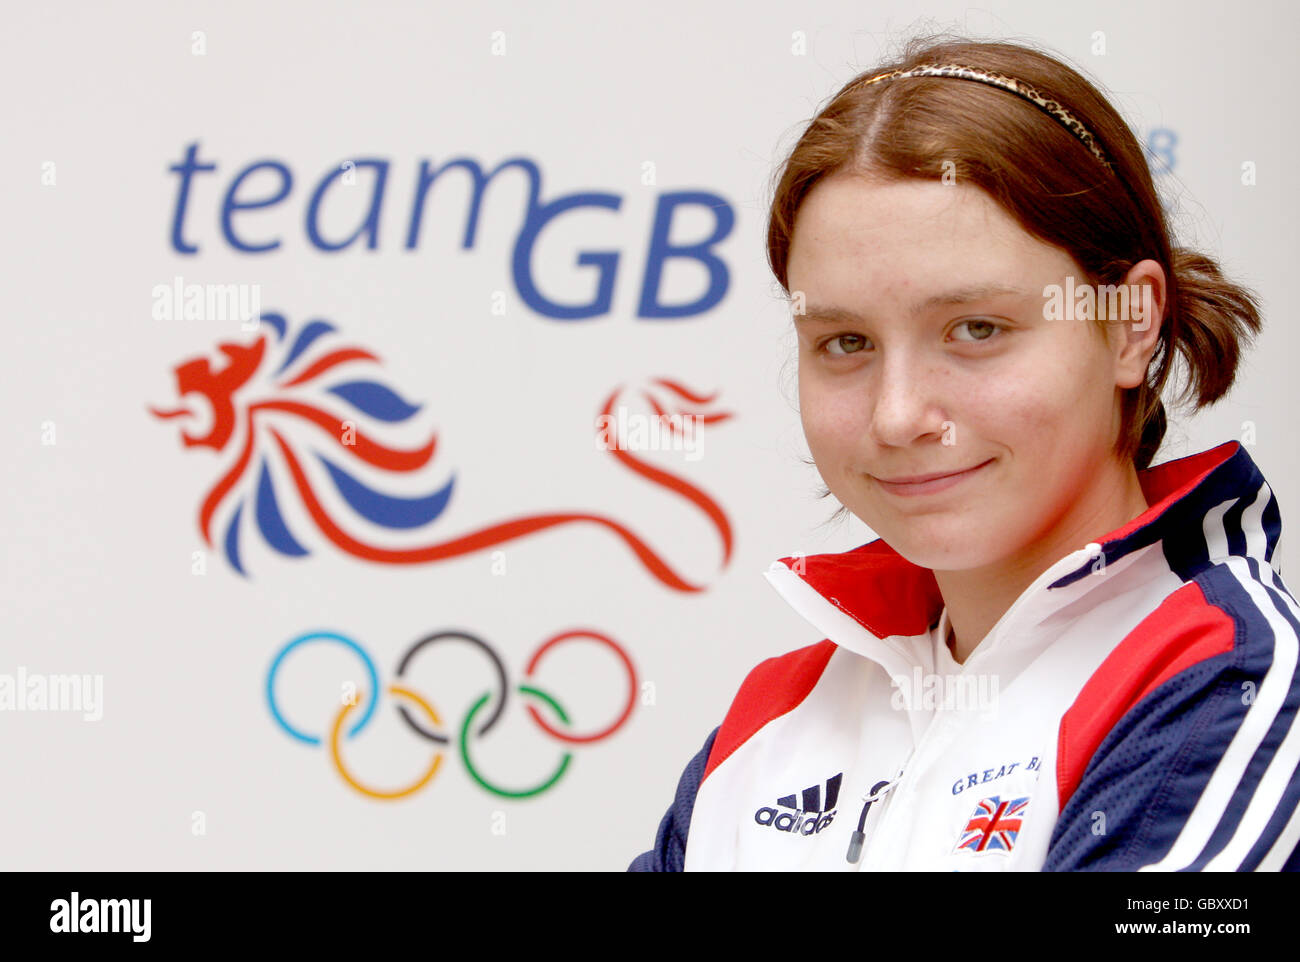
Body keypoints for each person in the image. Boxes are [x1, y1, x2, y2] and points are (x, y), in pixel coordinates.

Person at [629, 34, 1299, 871]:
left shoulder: (1232, 684)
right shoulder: (773, 720)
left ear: (1133, 324)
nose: (899, 415)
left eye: (977, 329)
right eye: (844, 342)